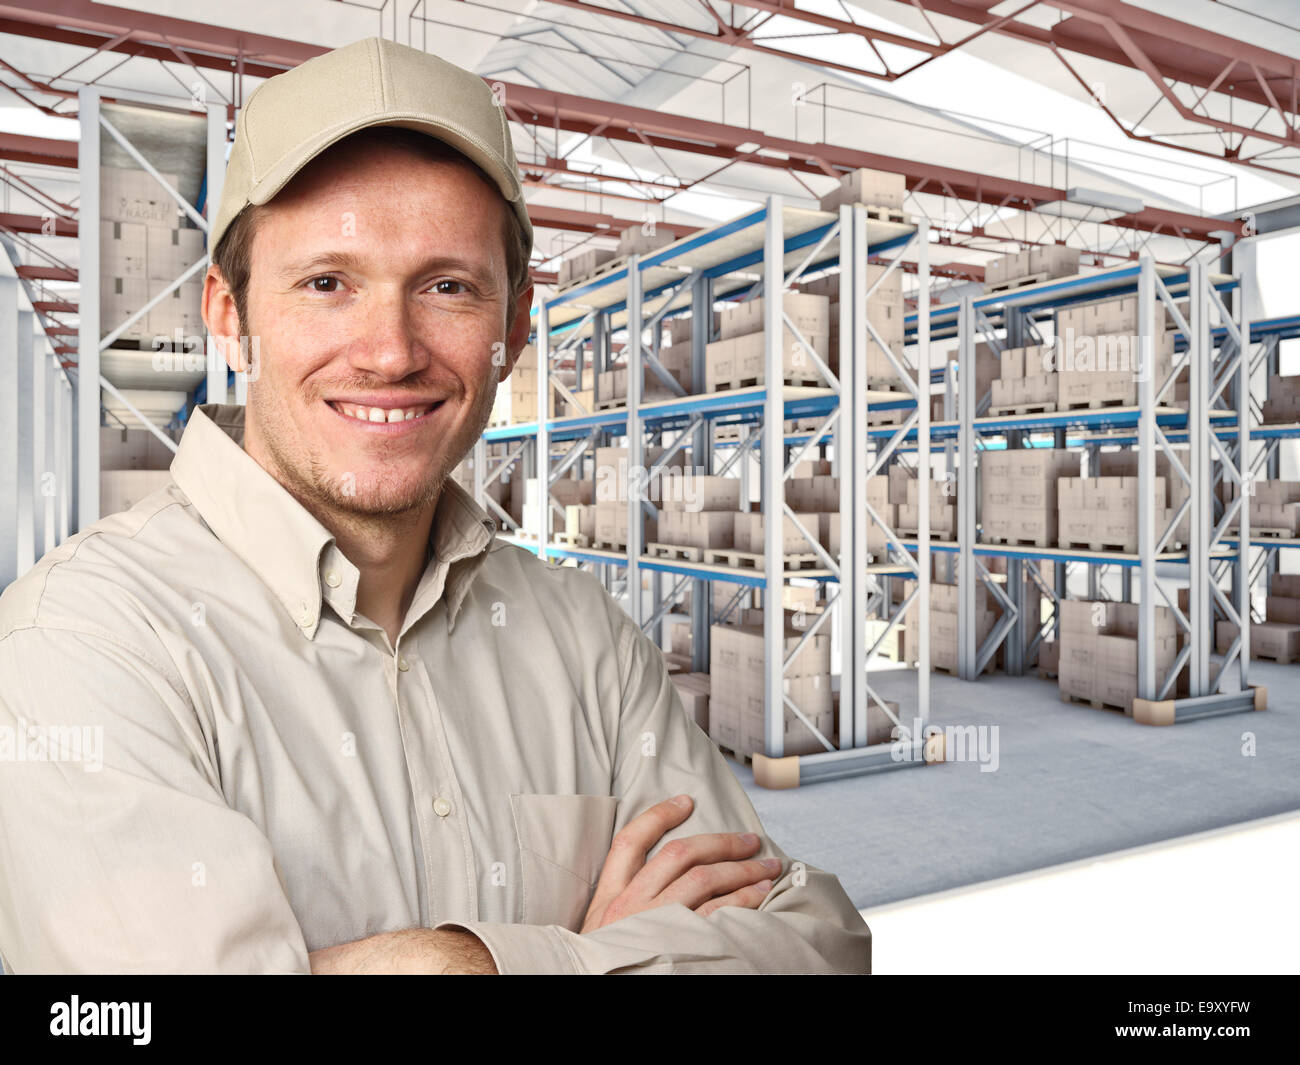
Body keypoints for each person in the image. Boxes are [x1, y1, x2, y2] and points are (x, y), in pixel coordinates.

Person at [0, 36, 870, 974]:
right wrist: (582, 953)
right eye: (327, 283)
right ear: (228, 312)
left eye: (447, 287)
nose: (390, 351)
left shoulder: (582, 637)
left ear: (514, 324)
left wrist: (465, 964)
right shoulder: (81, 645)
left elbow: (810, 939)